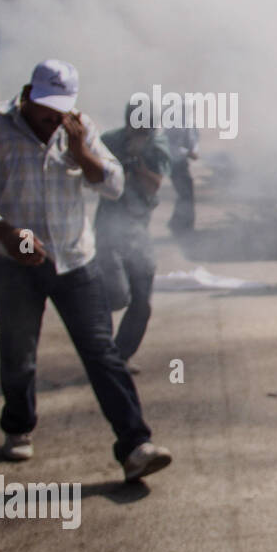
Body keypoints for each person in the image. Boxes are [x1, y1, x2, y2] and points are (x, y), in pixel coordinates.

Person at [0, 60, 172, 482]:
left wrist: (82, 152)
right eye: (46, 108)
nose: (53, 118)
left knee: (102, 353)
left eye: (61, 109)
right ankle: (18, 426)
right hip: (14, 263)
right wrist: (6, 232)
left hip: (73, 259)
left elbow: (114, 184)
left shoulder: (78, 128)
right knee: (19, 353)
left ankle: (135, 444)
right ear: (27, 95)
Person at [96, 96, 171, 369]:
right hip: (107, 227)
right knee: (113, 295)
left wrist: (137, 161)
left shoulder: (156, 145)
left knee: (142, 301)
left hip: (138, 228)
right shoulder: (108, 141)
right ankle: (101, 352)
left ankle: (119, 356)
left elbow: (154, 186)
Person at [165, 116, 199, 233]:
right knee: (185, 192)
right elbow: (170, 145)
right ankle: (181, 224)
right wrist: (188, 152)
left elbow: (192, 139)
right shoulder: (175, 125)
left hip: (180, 163)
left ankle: (179, 222)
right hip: (176, 163)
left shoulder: (186, 122)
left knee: (186, 192)